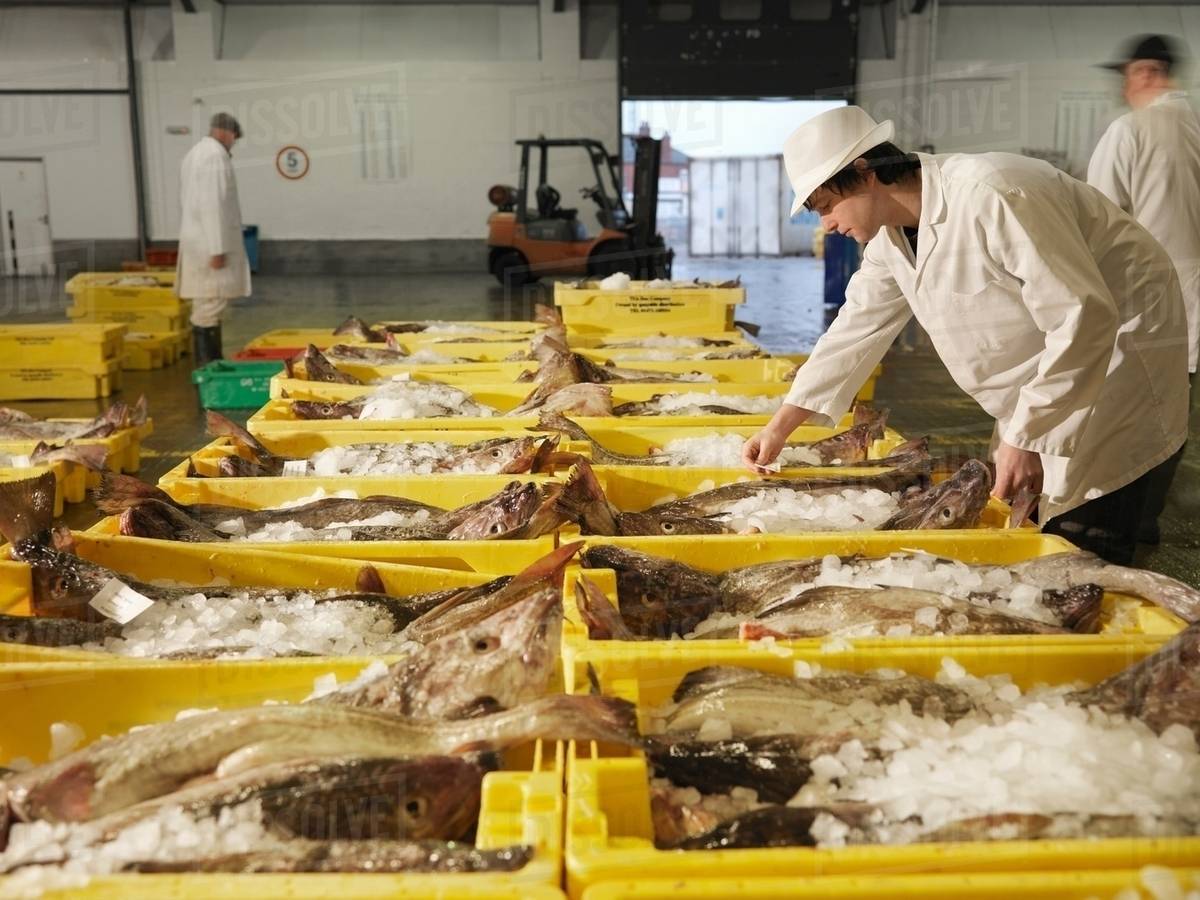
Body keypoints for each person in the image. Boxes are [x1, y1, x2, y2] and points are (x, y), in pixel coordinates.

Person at [742, 106, 1190, 565]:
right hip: (1048, 371)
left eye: (825, 206)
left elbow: (1084, 317)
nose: (827, 225)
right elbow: (855, 328)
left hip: (1120, 357)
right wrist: (780, 426)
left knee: (1087, 532)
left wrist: (1026, 435)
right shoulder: (889, 239)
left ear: (863, 173)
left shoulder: (992, 193)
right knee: (1032, 510)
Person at [1087, 34, 1200, 544]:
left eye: (1130, 76)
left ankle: (1131, 522)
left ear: (1148, 74)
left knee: (1145, 409)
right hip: (1187, 292)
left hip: (1157, 296)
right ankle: (1145, 513)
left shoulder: (1132, 129)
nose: (1127, 88)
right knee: (1179, 405)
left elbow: (1100, 220)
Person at [176, 111, 251, 367]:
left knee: (204, 302)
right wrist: (217, 249)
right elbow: (212, 205)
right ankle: (209, 365)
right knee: (211, 302)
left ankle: (208, 363)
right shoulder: (214, 156)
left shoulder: (195, 153)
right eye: (233, 139)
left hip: (197, 240)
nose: (232, 144)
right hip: (209, 245)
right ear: (226, 132)